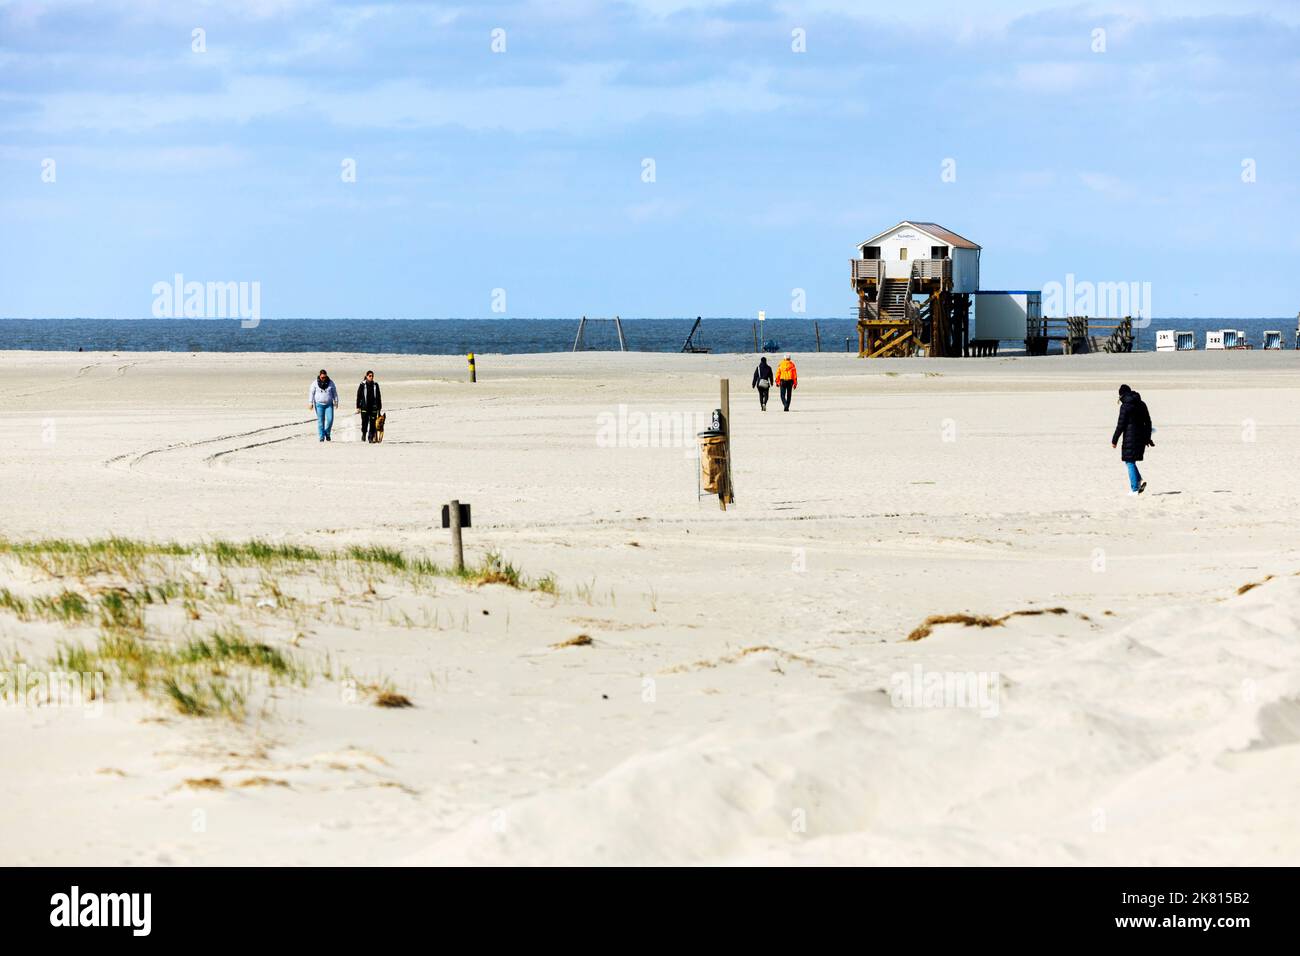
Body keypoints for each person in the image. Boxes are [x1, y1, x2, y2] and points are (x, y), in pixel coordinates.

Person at [1111, 383, 1154, 495]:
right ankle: (1139, 480)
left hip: (1130, 438)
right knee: (1131, 461)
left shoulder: (1125, 407)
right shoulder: (1142, 404)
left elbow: (1120, 425)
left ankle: (1135, 488)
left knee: (1129, 461)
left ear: (1121, 396)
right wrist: (1147, 437)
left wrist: (1114, 440)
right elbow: (1148, 422)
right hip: (1141, 437)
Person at [310, 368, 339, 442]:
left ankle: (327, 433)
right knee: (321, 421)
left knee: (330, 419)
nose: (323, 378)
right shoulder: (315, 383)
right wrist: (311, 403)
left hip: (329, 404)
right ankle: (321, 436)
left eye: (325, 377)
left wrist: (336, 401)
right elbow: (311, 393)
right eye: (322, 377)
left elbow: (334, 392)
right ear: (319, 376)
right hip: (319, 405)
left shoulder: (331, 382)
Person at [356, 370, 383, 443]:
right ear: (366, 376)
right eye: (370, 376)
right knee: (364, 422)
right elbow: (359, 396)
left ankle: (370, 437)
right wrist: (358, 407)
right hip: (364, 407)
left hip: (373, 407)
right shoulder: (362, 384)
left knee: (372, 423)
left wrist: (379, 407)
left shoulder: (375, 385)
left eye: (372, 376)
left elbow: (378, 396)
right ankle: (364, 433)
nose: (371, 377)